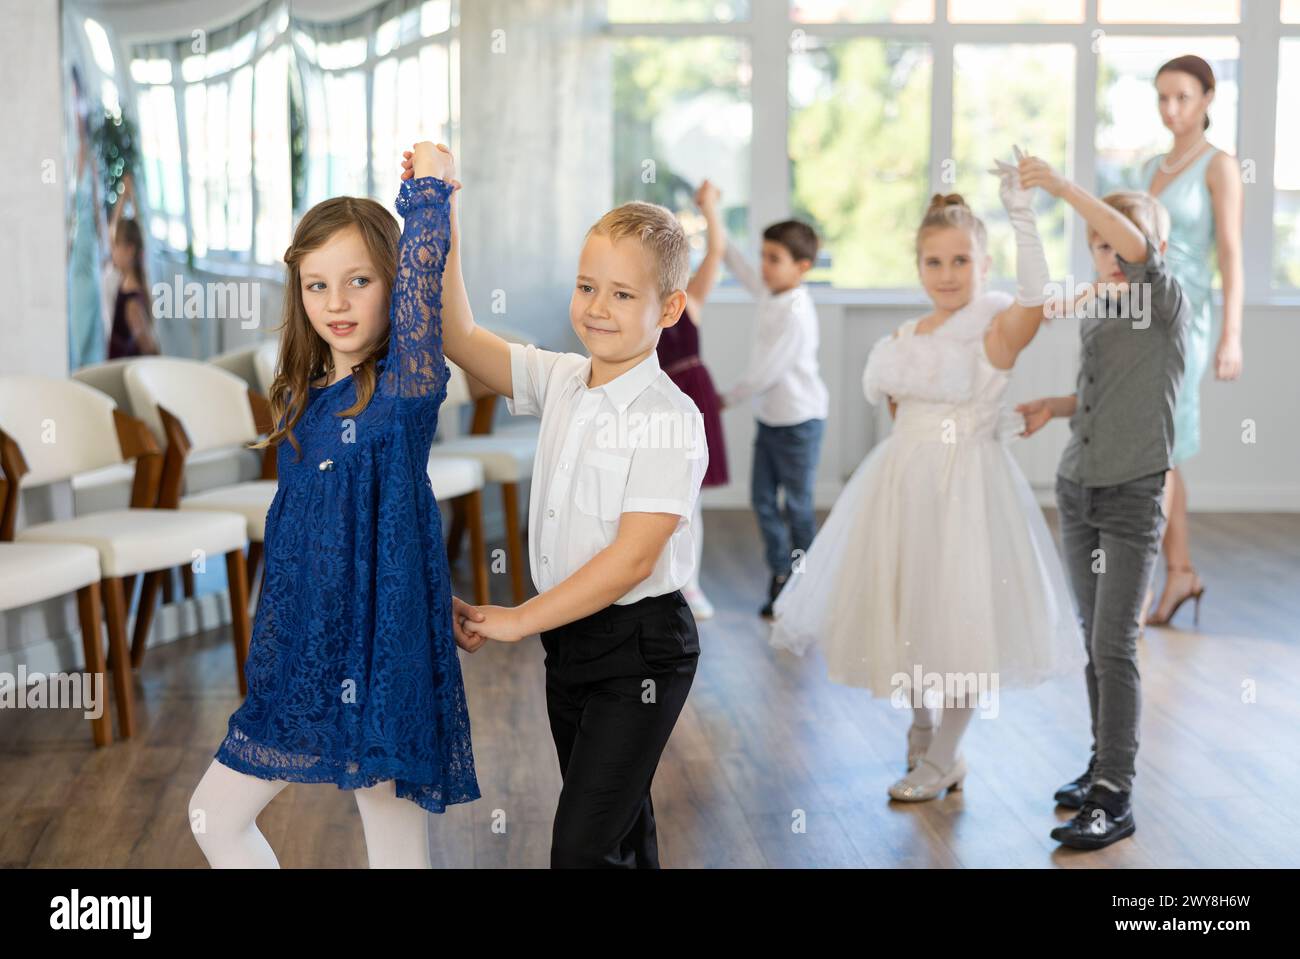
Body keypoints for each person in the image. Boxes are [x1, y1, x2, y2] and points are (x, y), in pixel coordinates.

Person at [405, 145, 709, 868]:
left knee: (580, 847)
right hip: (569, 644)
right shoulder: (564, 379)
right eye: (586, 286)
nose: (597, 308)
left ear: (668, 307)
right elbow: (460, 336)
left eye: (622, 294)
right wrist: (445, 207)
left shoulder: (671, 416)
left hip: (641, 647)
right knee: (617, 828)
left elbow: (632, 558)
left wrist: (516, 618)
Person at [189, 143, 479, 868]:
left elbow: (422, 283)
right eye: (317, 285)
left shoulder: (407, 390)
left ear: (393, 282)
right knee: (214, 816)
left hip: (383, 651)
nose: (338, 302)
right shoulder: (306, 399)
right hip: (304, 649)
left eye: (359, 280)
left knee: (392, 843)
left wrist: (430, 192)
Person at [771, 152, 1084, 803]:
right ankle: (920, 728)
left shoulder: (995, 328)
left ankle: (946, 753)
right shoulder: (904, 336)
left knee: (964, 616)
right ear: (917, 266)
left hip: (965, 489)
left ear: (984, 264)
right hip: (900, 487)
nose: (947, 274)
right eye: (934, 261)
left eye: (962, 261)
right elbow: (898, 412)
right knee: (908, 605)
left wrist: (1022, 214)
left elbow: (1037, 294)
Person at [1016, 154, 1190, 850]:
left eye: (1120, 242)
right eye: (1097, 246)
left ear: (1152, 249)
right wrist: (1057, 405)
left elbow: (1132, 242)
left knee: (1116, 642)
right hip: (1077, 486)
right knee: (1093, 639)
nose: (1109, 253)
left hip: (1132, 494)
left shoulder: (1164, 298)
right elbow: (1103, 396)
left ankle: (1116, 790)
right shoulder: (1104, 309)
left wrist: (1061, 187)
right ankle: (1100, 762)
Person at [1130, 55, 1244, 627]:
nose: (1171, 109)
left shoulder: (1219, 166)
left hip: (1189, 318)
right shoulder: (1153, 165)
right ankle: (1181, 574)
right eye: (1162, 98)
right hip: (1145, 312)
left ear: (1206, 99)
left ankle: (1144, 585)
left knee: (1163, 447)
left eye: (1182, 97)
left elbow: (1231, 253)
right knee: (1166, 451)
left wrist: (1232, 335)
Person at [719, 219, 829, 619]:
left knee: (797, 507)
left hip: (800, 422)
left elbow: (768, 372)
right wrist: (713, 214)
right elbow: (736, 263)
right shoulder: (770, 294)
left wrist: (725, 399)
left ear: (802, 266)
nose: (764, 266)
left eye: (774, 259)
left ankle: (805, 584)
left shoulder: (796, 312)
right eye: (764, 256)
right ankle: (781, 575)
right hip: (770, 421)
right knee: (763, 501)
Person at [656, 178, 731, 620]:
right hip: (655, 403)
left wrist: (710, 207)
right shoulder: (637, 305)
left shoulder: (689, 303)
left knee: (691, 502)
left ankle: (691, 585)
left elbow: (717, 252)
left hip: (692, 400)